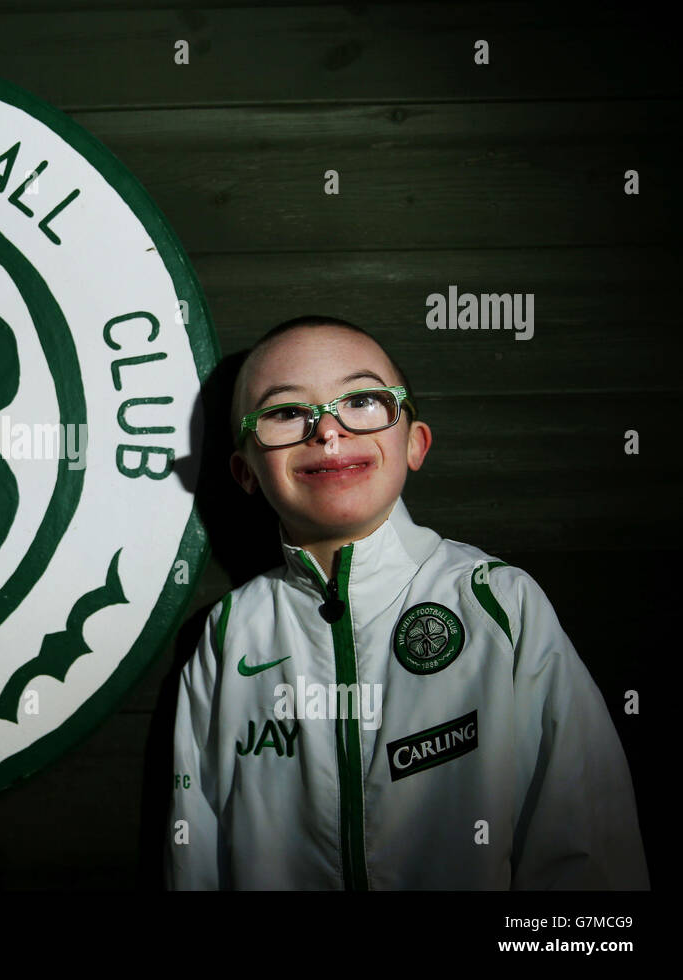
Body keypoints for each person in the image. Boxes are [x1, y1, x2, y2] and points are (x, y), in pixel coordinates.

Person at [164, 315, 649, 890]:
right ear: (245, 472)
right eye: (286, 412)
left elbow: (588, 844)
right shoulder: (228, 635)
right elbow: (195, 859)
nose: (328, 431)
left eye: (362, 400)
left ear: (414, 443)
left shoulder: (498, 602)